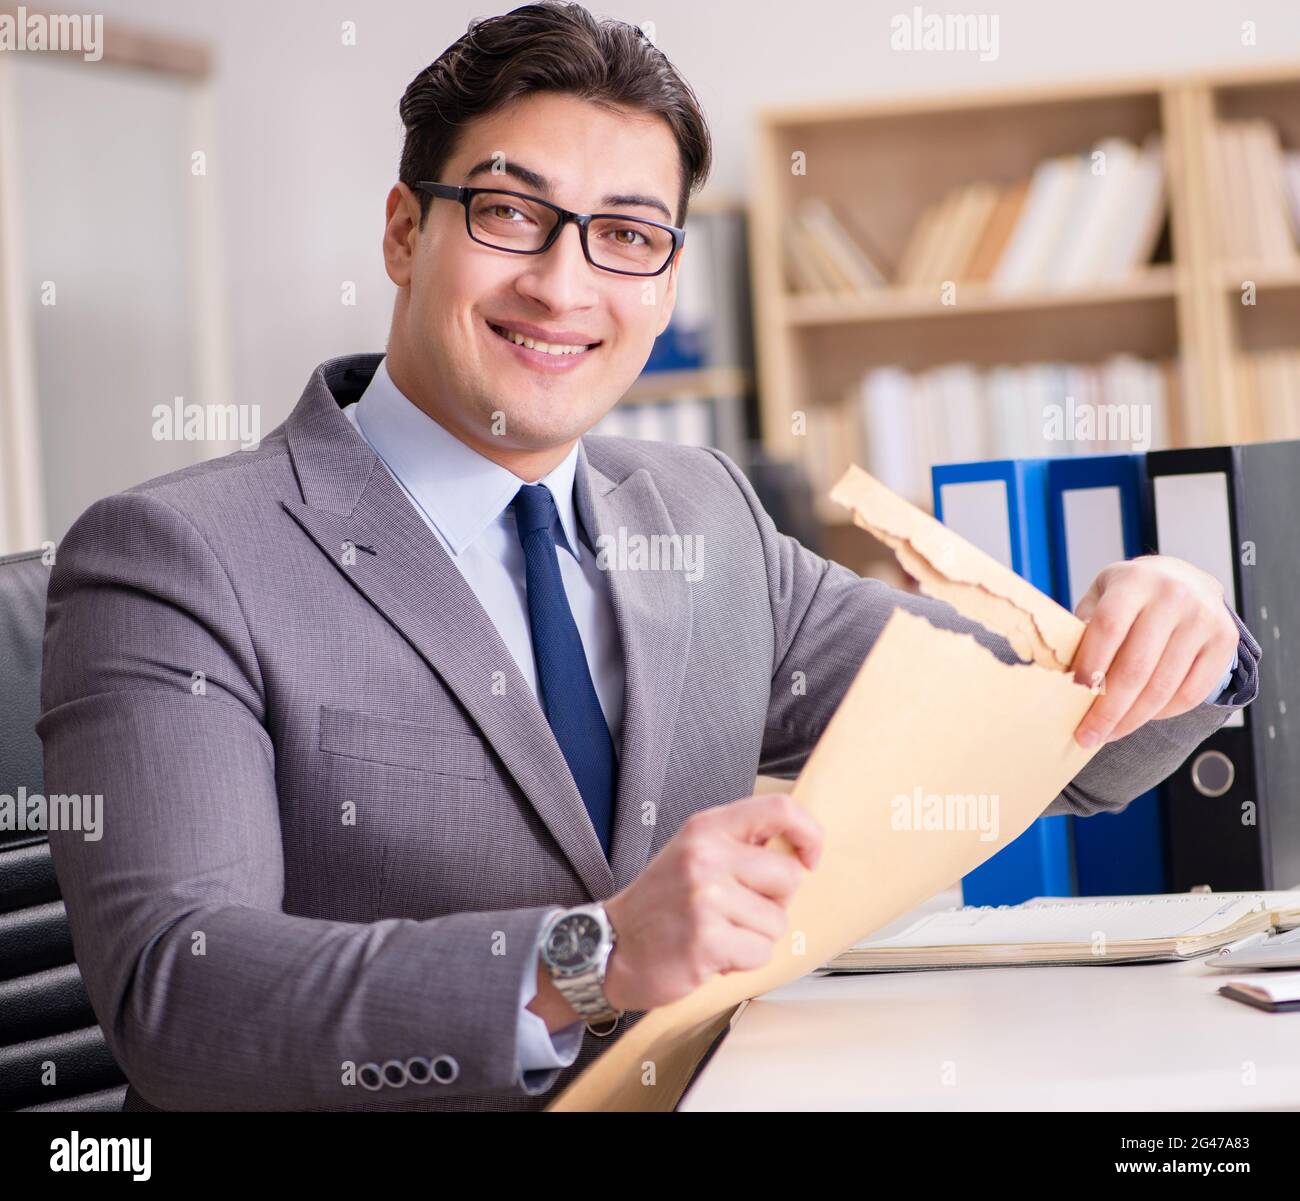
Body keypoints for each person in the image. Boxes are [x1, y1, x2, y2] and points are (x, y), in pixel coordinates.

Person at [39, 1, 1259, 1112]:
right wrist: (592, 954)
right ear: (407, 230)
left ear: (669, 281)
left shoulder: (702, 515)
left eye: (626, 235)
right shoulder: (180, 554)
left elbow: (1050, 743)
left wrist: (1180, 624)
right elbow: (175, 997)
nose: (564, 285)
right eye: (511, 213)